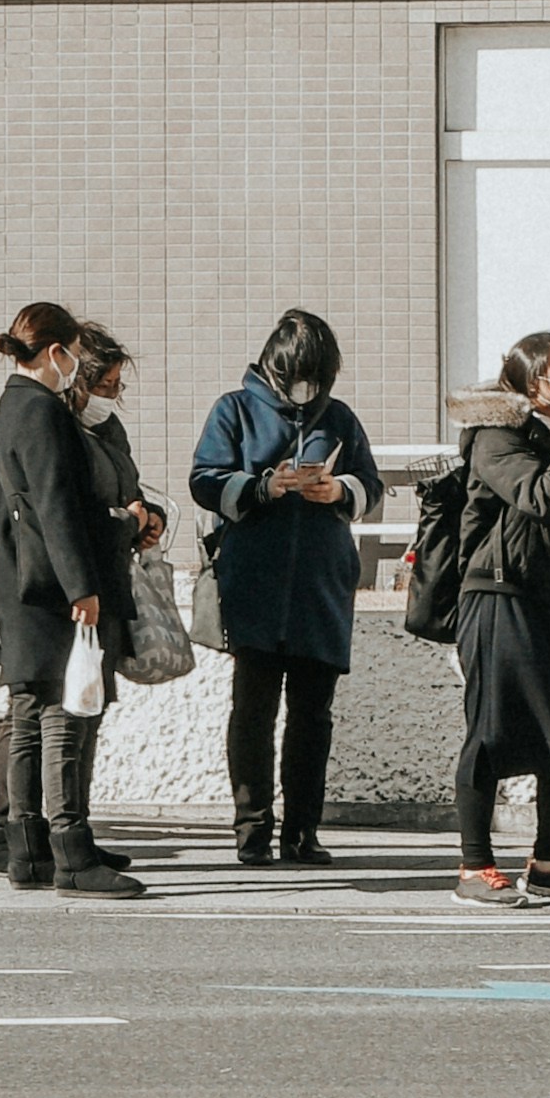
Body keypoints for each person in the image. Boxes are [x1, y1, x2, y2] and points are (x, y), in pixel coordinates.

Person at [192, 306, 379, 868]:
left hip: (322, 585)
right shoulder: (235, 409)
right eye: (298, 375)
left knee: (313, 715)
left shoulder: (340, 417)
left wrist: (341, 491)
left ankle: (303, 831)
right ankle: (252, 830)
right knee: (252, 711)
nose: (306, 388)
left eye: (317, 377)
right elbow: (205, 479)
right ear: (274, 366)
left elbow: (370, 483)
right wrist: (262, 486)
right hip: (253, 583)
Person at [0, 293, 135, 896]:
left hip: (21, 587)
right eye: (70, 355)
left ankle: (27, 851)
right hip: (54, 592)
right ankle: (70, 852)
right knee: (63, 721)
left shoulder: (6, 409)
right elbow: (57, 507)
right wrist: (84, 586)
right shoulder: (42, 411)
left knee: (24, 720)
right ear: (56, 352)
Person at [449, 330, 550, 903]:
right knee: (490, 731)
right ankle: (474, 868)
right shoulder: (495, 435)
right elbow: (539, 498)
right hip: (497, 597)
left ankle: (548, 862)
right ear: (527, 379)